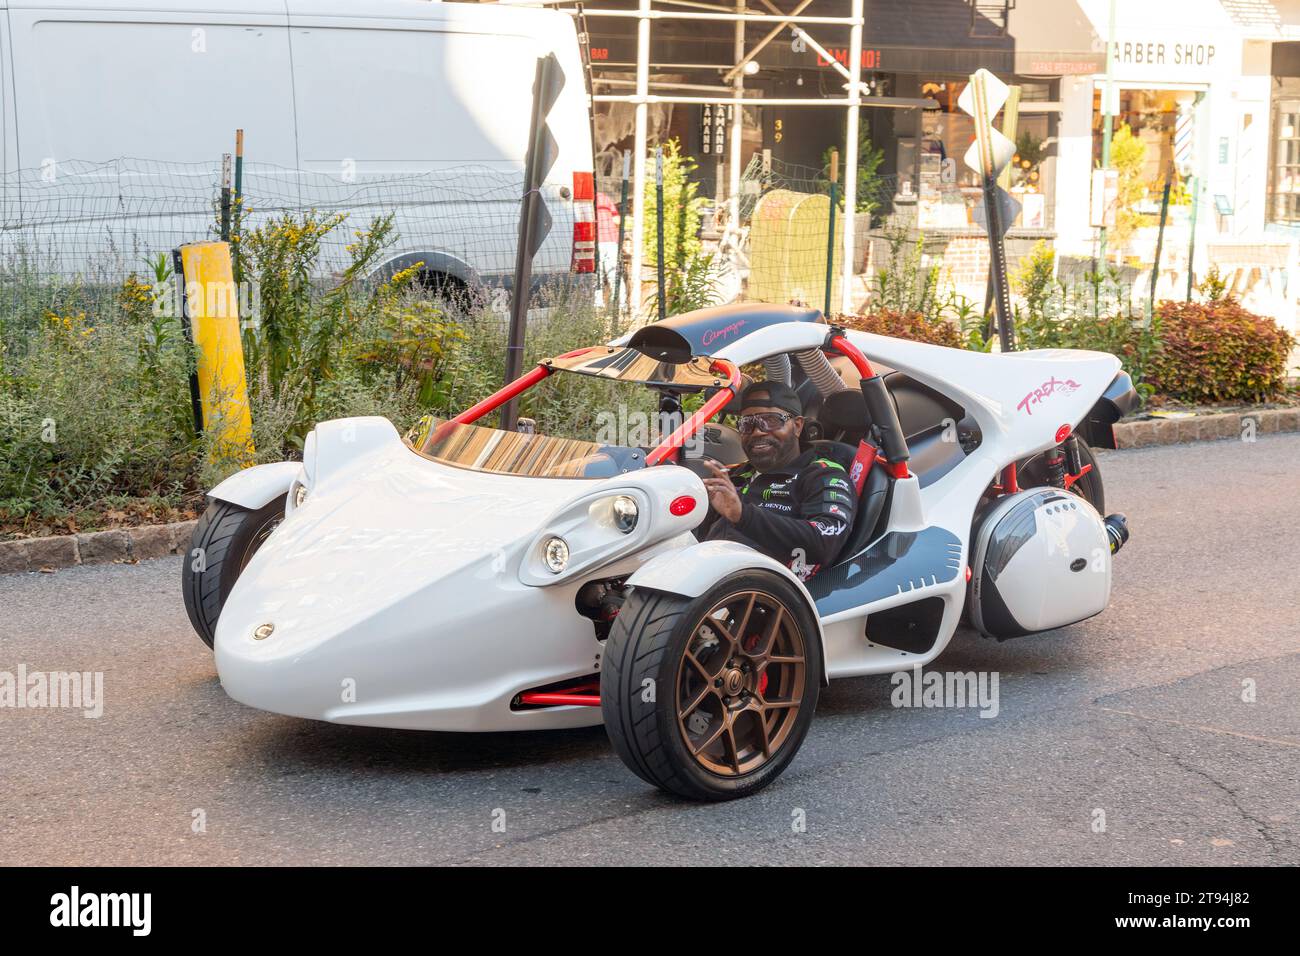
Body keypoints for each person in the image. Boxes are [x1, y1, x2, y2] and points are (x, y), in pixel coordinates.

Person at [697, 381, 857, 580]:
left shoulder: (823, 474)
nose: (757, 431)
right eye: (748, 424)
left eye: (771, 420)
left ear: (797, 426)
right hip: (702, 578)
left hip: (764, 598)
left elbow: (824, 543)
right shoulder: (732, 475)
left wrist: (743, 515)